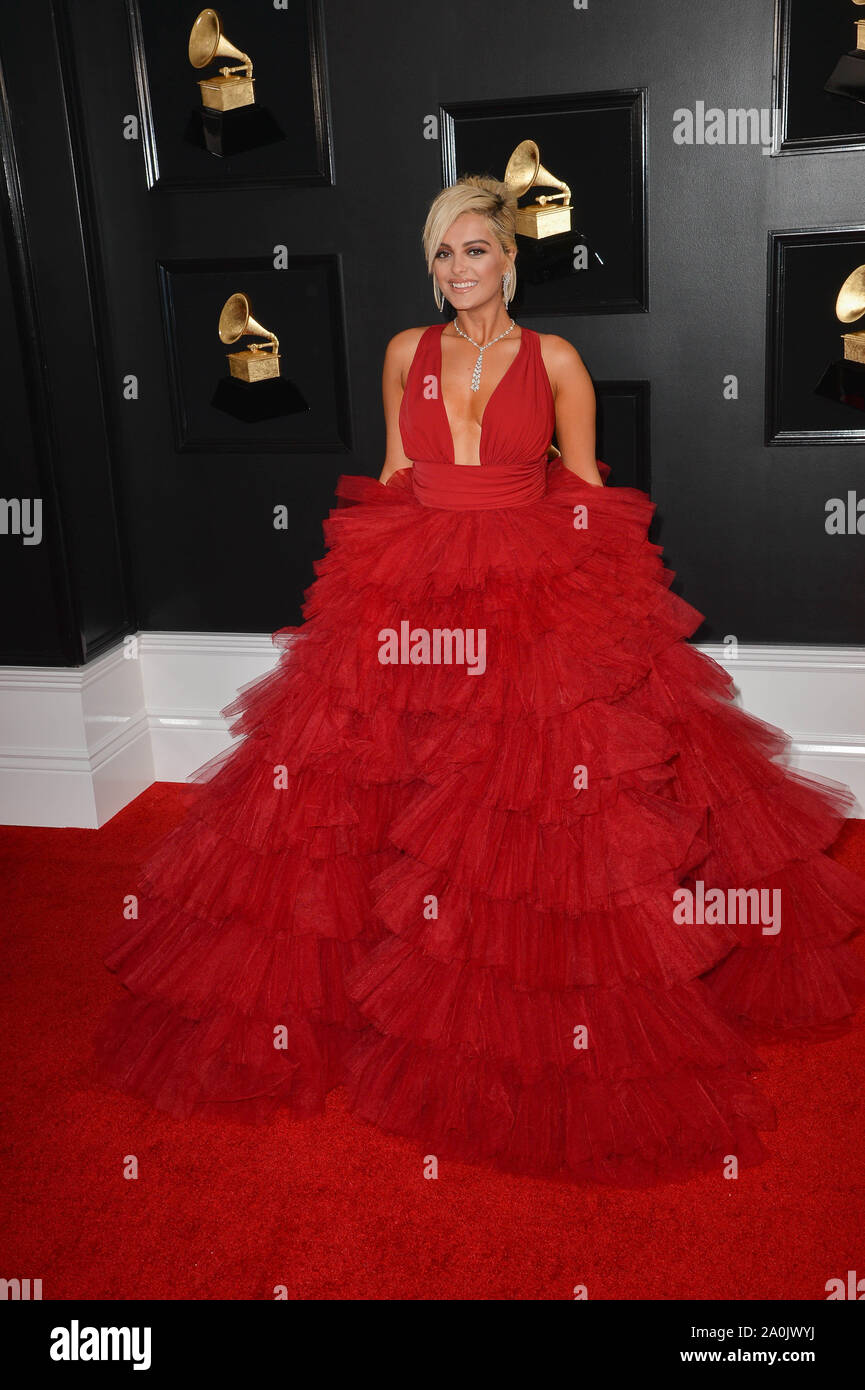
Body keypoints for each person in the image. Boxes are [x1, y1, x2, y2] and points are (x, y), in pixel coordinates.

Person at [94, 175, 865, 1186]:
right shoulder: (401, 355)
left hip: (526, 580)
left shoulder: (556, 360)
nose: (456, 271)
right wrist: (366, 579)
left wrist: (610, 604)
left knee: (528, 808)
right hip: (410, 573)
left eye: (474, 251)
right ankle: (360, 995)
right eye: (441, 255)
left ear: (510, 256)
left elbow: (585, 486)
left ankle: (519, 1005)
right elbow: (392, 471)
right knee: (352, 789)